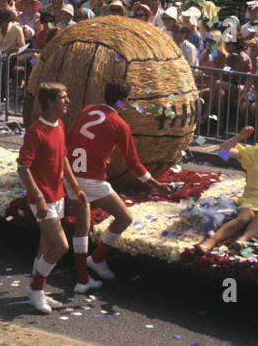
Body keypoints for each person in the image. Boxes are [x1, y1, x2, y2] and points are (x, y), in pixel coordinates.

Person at [65, 81, 163, 285]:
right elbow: (133, 164)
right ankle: (97, 258)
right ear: (124, 100)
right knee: (124, 218)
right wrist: (156, 184)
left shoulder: (87, 110)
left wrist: (96, 155)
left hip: (71, 175)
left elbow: (71, 140)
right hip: (91, 180)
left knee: (82, 228)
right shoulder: (120, 124)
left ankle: (83, 278)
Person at [17, 81, 87, 314]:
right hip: (42, 199)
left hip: (57, 195)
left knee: (46, 245)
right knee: (60, 246)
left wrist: (75, 187)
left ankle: (37, 290)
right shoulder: (36, 131)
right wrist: (38, 197)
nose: (68, 101)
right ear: (49, 102)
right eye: (63, 97)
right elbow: (23, 168)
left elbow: (63, 157)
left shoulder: (59, 125)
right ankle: (36, 289)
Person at [198, 120, 258, 250]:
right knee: (244, 218)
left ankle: (242, 241)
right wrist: (239, 137)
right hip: (251, 198)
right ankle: (210, 242)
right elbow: (222, 152)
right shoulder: (251, 153)